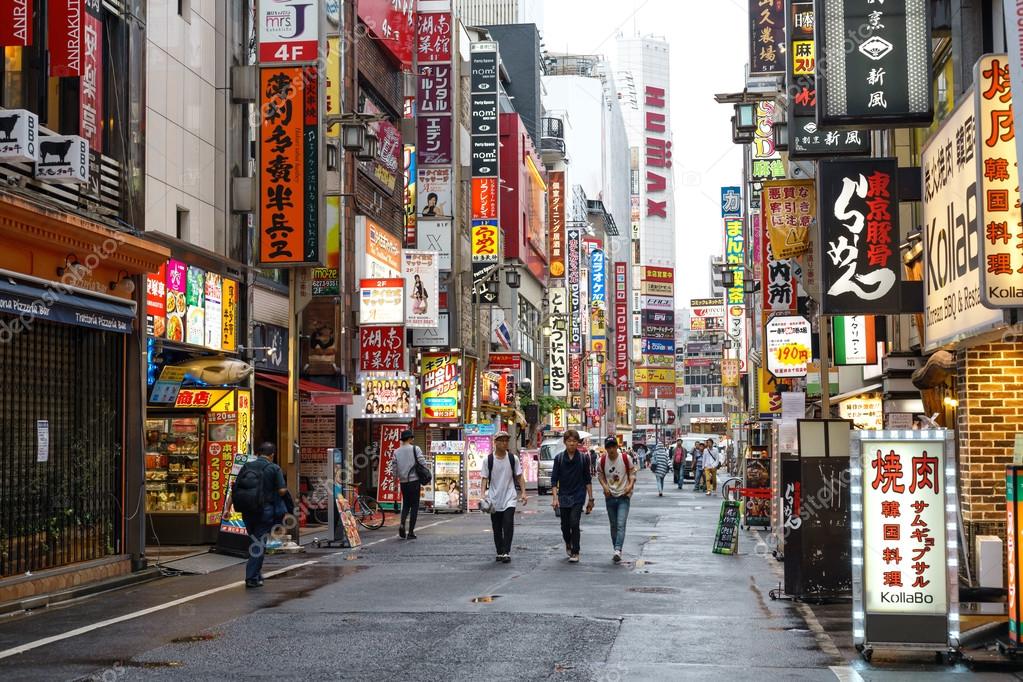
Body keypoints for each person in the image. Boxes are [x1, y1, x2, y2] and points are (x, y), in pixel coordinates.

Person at [231, 441, 288, 588]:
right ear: (272, 455)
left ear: (257, 453)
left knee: (255, 540)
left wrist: (227, 509)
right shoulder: (274, 468)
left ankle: (257, 574)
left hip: (247, 510)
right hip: (264, 511)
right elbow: (282, 490)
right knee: (258, 543)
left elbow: (235, 489)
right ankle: (251, 577)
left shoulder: (246, 466)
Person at [481, 430, 527, 563]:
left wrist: (523, 492)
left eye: (506, 440)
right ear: (495, 442)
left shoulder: (513, 459)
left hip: (509, 496)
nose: (504, 443)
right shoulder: (488, 460)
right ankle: (499, 551)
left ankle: (506, 551)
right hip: (494, 498)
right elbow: (484, 478)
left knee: (508, 523)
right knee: (496, 526)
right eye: (501, 440)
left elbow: (519, 476)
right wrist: (482, 494)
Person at [551, 429, 594, 563]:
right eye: (569, 441)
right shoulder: (559, 459)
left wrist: (590, 499)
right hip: (563, 495)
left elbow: (587, 479)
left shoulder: (583, 458)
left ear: (578, 443)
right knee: (565, 526)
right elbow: (554, 480)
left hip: (578, 495)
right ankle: (568, 542)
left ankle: (575, 551)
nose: (572, 444)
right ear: (565, 442)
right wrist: (555, 498)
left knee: (574, 522)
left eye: (574, 441)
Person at [597, 436, 636, 563]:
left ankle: (618, 549)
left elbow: (632, 474)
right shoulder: (601, 461)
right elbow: (600, 476)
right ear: (606, 448)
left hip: (624, 496)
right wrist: (604, 487)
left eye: (613, 446)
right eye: (609, 447)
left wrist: (629, 486)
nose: (611, 449)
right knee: (613, 525)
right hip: (610, 497)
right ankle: (616, 548)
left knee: (620, 524)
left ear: (617, 447)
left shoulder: (626, 458)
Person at [390, 429, 429, 539]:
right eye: (412, 437)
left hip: (403, 483)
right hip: (414, 481)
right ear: (410, 438)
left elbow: (394, 469)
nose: (413, 439)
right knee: (415, 506)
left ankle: (402, 524)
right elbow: (423, 463)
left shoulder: (396, 452)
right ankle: (411, 532)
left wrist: (394, 483)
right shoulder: (415, 449)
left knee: (406, 505)